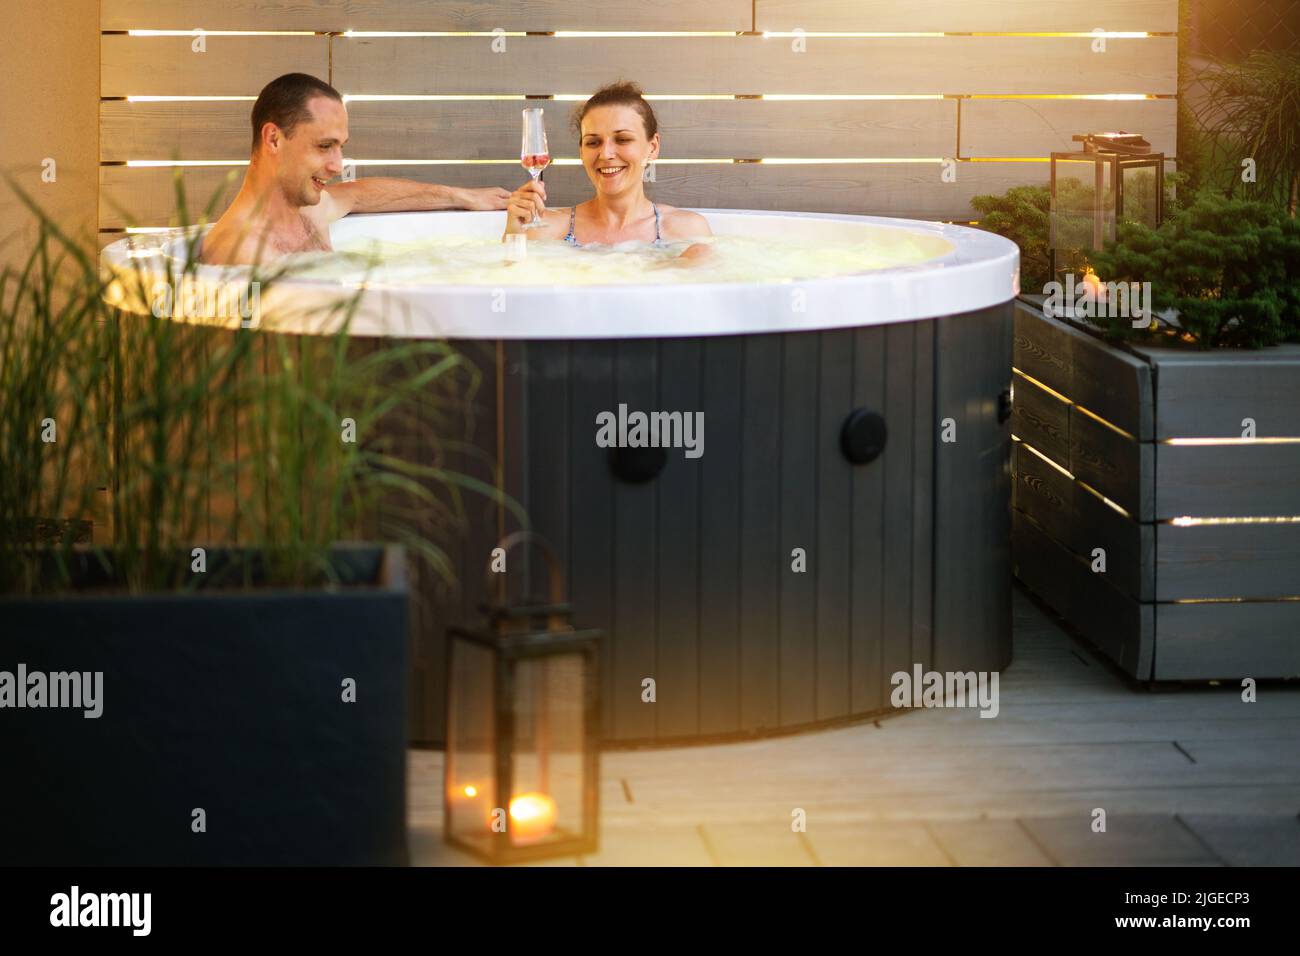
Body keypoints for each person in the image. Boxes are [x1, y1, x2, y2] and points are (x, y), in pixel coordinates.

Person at [200, 73, 510, 265]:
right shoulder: (241, 251)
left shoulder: (310, 209)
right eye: (324, 146)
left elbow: (359, 195)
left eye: (341, 147)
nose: (337, 165)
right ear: (273, 139)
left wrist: (463, 197)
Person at [503, 81, 712, 260]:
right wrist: (514, 231)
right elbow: (512, 290)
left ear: (653, 147)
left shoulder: (687, 231)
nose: (605, 154)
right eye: (593, 142)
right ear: (581, 152)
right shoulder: (548, 230)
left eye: (623, 140)